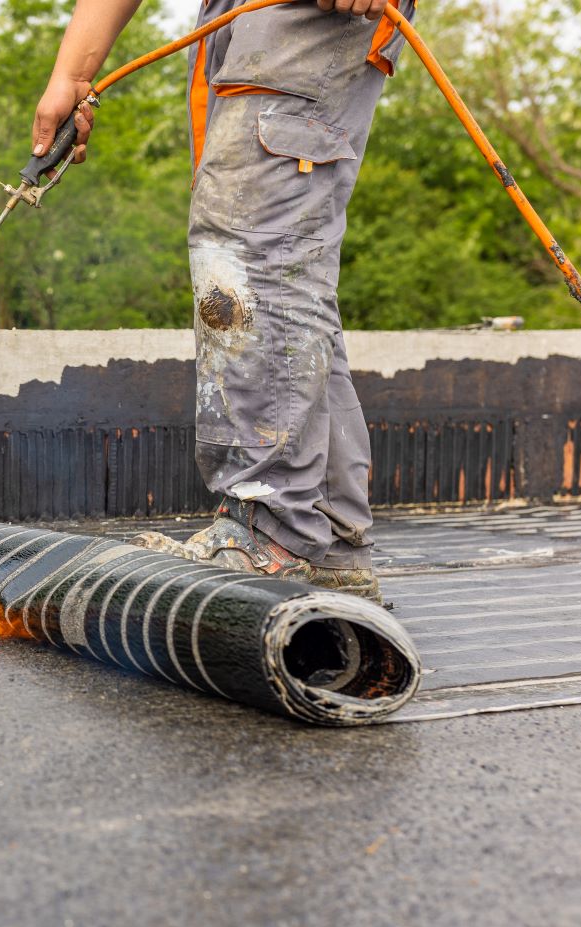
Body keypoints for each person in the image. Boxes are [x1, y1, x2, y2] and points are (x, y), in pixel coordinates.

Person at [30, 0, 416, 604]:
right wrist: (72, 74)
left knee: (248, 260)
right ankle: (325, 537)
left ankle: (276, 534)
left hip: (298, 17)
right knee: (281, 270)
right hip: (238, 22)